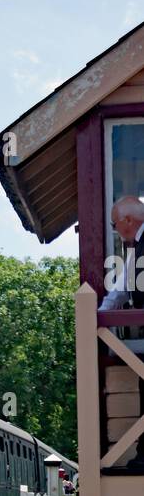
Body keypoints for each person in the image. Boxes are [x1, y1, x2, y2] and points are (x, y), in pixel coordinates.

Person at [100, 194, 144, 472]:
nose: (115, 230)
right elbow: (120, 289)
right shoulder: (135, 250)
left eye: (115, 224)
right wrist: (100, 316)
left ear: (129, 220)